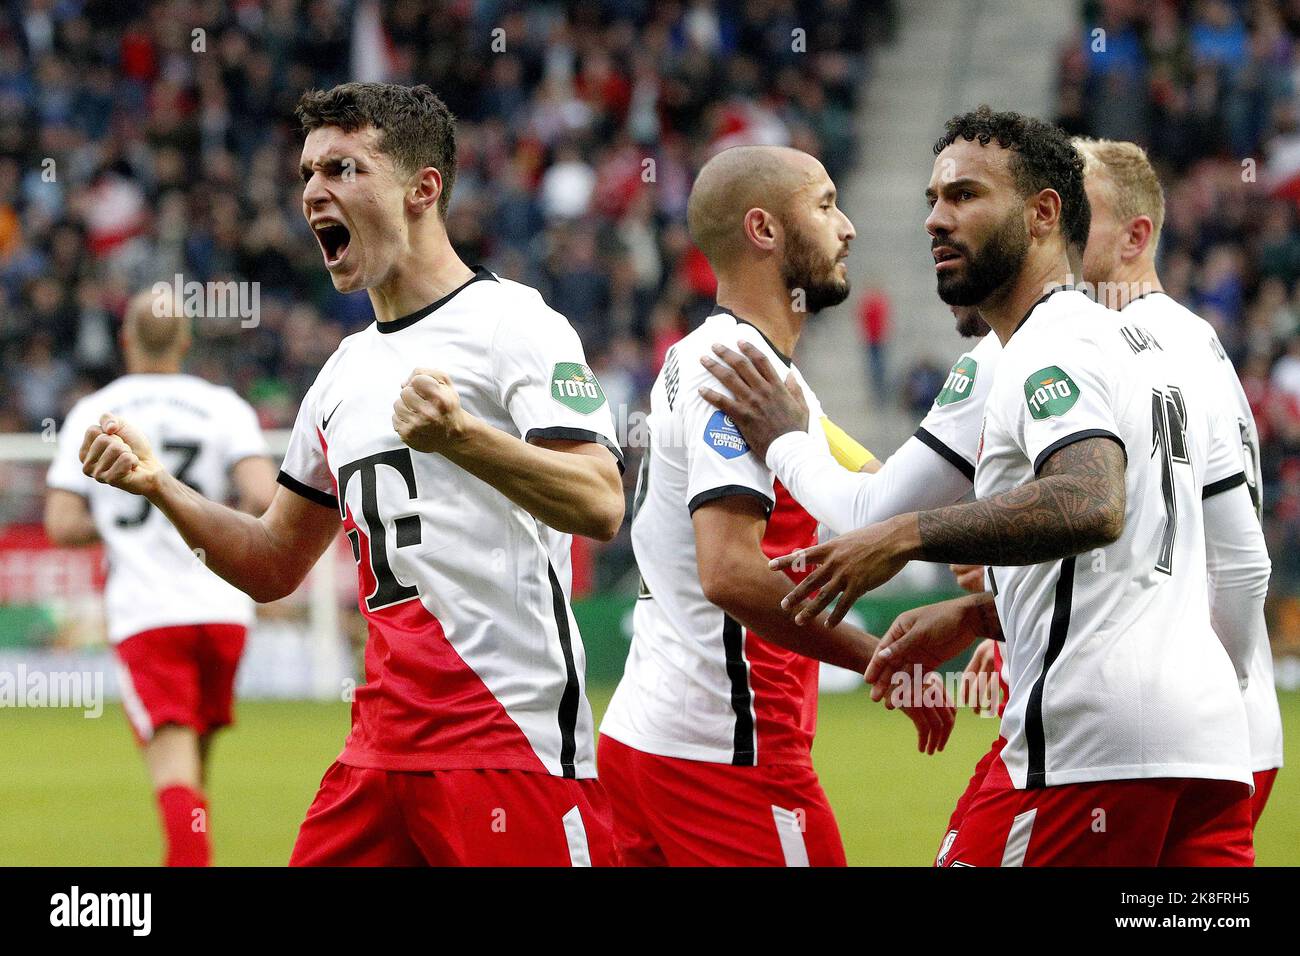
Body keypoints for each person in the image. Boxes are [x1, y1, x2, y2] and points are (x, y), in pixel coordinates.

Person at [77, 82, 624, 867]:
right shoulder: (340, 376)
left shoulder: (517, 326)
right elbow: (272, 565)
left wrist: (465, 438)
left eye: (342, 169)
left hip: (508, 746)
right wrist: (161, 487)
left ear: (421, 190)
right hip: (377, 755)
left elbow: (601, 502)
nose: (312, 193)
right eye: (306, 173)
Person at [776, 107, 1255, 866]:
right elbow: (1135, 560)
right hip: (1203, 750)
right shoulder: (1133, 343)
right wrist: (980, 613)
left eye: (965, 196)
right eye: (933, 199)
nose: (936, 219)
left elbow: (1091, 502)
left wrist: (903, 533)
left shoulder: (1046, 345)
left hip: (1088, 745)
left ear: (1043, 214)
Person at [596, 144, 954, 867]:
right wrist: (877, 656)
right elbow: (728, 573)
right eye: (824, 205)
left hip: (648, 741)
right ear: (763, 230)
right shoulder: (740, 373)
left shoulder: (742, 369)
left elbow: (869, 505)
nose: (847, 226)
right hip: (724, 758)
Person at [1073, 136, 1282, 825]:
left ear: (1136, 235)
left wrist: (1223, 681)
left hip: (1190, 726)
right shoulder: (1191, 340)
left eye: (1081, 215)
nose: (1058, 232)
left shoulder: (1147, 347)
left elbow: (1246, 565)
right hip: (1215, 727)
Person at [46, 289, 276, 866]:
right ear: (185, 341)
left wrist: (128, 526)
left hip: (149, 614)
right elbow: (261, 496)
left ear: (125, 340)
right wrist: (196, 517)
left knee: (172, 764)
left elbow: (61, 522)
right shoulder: (223, 406)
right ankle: (194, 852)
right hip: (224, 611)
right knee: (195, 764)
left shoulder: (94, 411)